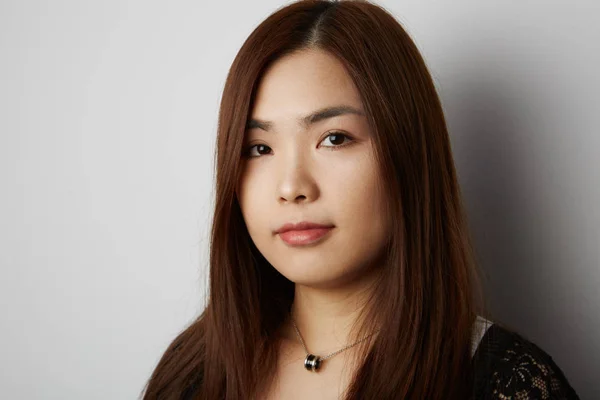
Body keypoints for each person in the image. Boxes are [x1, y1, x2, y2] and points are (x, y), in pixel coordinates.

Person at [142, 1, 580, 399]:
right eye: (258, 148)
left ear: (407, 152)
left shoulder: (507, 384)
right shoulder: (192, 373)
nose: (291, 186)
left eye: (334, 138)